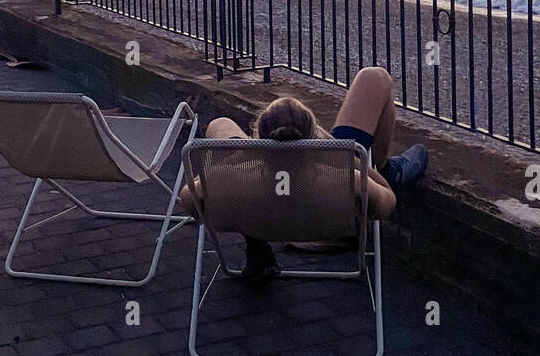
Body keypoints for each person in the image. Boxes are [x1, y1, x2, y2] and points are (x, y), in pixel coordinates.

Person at [180, 66, 428, 281]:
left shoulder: (222, 181)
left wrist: (248, 154)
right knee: (376, 77)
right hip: (326, 198)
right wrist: (340, 156)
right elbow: (387, 204)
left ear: (259, 138)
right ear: (314, 136)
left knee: (219, 124)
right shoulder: (349, 182)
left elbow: (190, 204)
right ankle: (387, 169)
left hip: (256, 199)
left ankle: (256, 245)